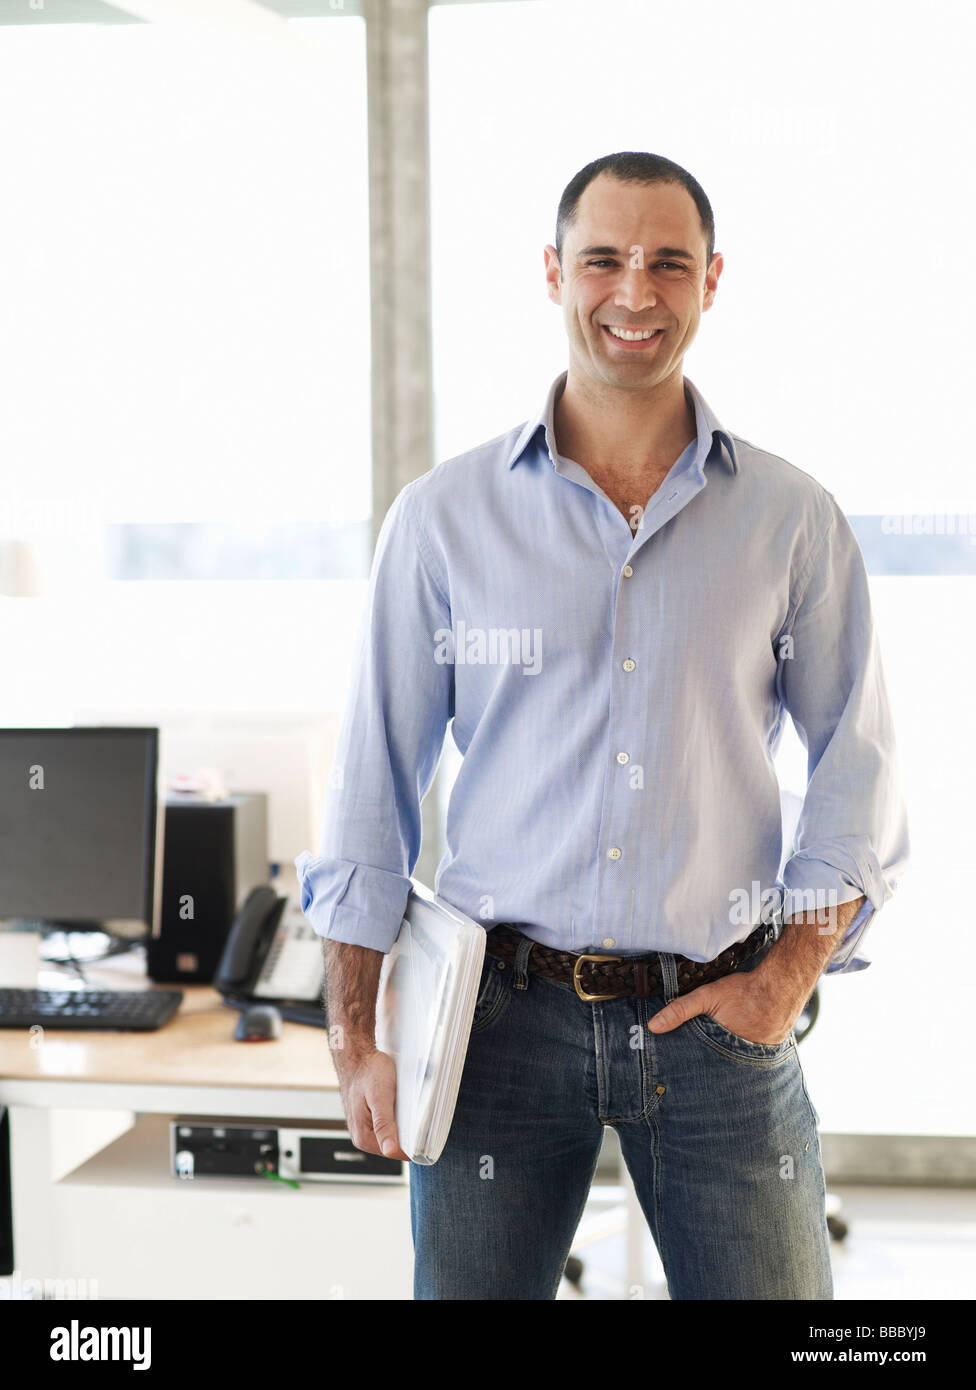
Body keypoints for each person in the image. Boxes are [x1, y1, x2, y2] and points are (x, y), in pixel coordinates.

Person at [296, 150, 909, 1300]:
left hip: (722, 1021)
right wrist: (353, 1033)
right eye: (604, 260)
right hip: (496, 1026)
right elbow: (371, 786)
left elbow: (857, 773)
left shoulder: (791, 519)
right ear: (552, 273)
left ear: (712, 280)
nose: (635, 293)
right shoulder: (442, 519)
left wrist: (783, 977)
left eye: (668, 263)